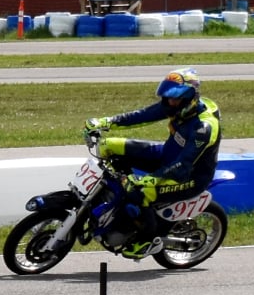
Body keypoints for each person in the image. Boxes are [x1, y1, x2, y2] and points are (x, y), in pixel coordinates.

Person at [83, 67, 223, 255]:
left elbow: (183, 164)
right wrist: (105, 122)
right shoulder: (177, 107)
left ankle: (148, 240)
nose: (169, 103)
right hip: (167, 155)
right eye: (167, 98)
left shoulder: (204, 128)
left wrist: (148, 180)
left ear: (190, 97)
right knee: (110, 145)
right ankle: (119, 204)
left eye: (174, 98)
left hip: (187, 176)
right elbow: (143, 115)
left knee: (143, 190)